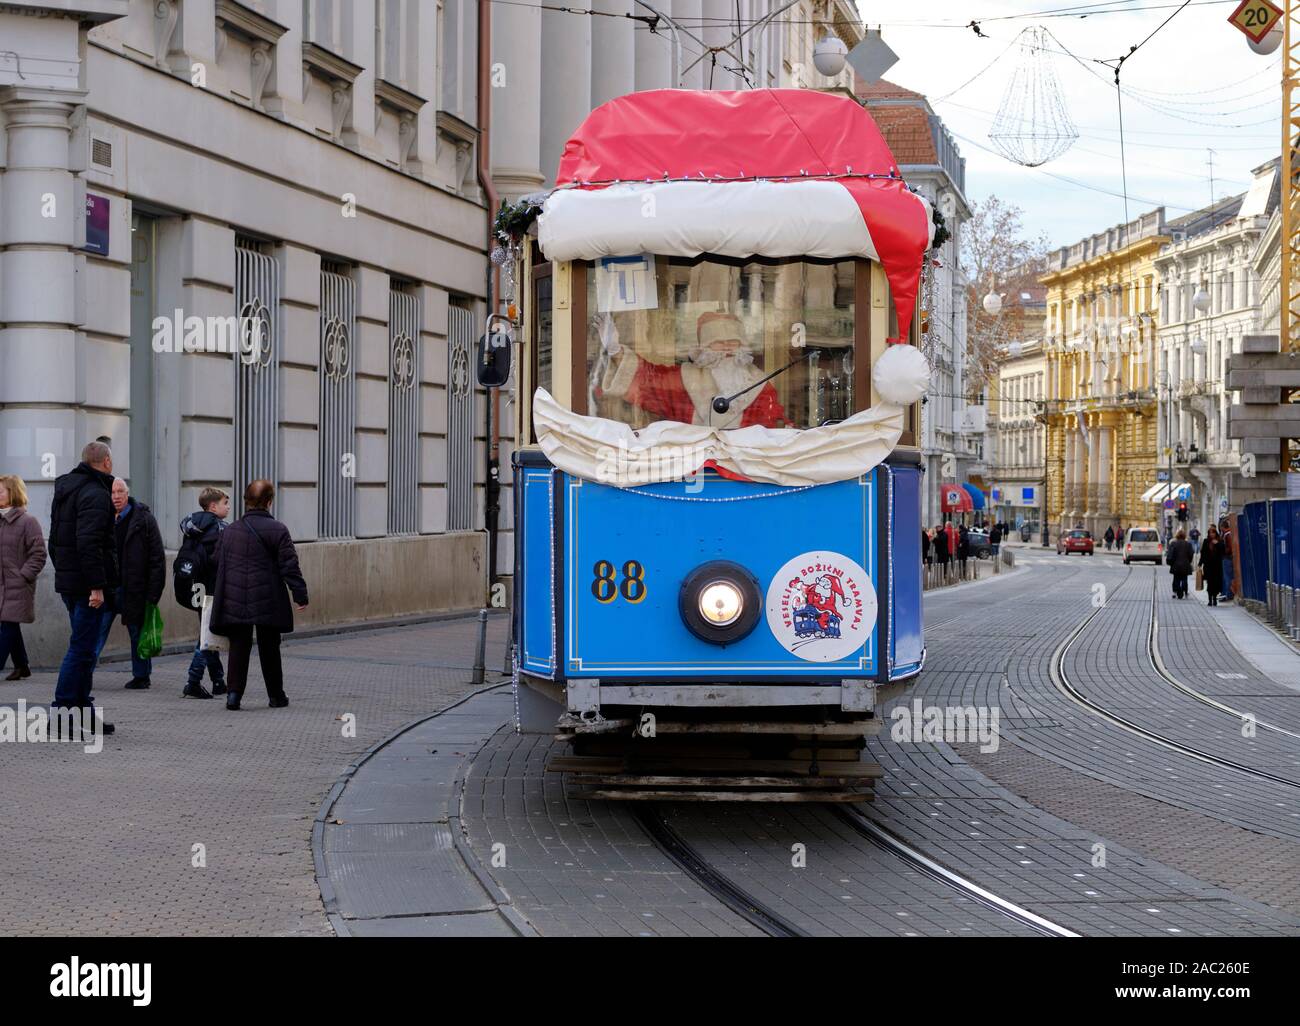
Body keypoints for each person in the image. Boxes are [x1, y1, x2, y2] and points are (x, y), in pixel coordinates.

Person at [210, 480, 308, 710]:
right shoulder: (279, 530)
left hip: (234, 596)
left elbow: (216, 561)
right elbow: (289, 565)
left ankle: (233, 695)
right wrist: (300, 594)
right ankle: (276, 696)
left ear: (246, 502)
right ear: (270, 502)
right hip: (268, 596)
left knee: (238, 646)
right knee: (270, 647)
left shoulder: (230, 531)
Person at [596, 310, 787, 429]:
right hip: (690, 466)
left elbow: (775, 423)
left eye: (733, 342)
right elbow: (646, 379)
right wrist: (615, 349)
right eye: (718, 343)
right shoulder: (683, 379)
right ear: (704, 348)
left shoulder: (761, 385)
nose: (728, 348)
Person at [48, 441, 117, 732]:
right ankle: (61, 713)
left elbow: (54, 540)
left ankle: (83, 712)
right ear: (106, 462)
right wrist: (96, 587)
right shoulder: (96, 493)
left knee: (86, 649)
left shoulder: (67, 490)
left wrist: (66, 574)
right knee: (80, 650)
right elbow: (89, 543)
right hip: (87, 586)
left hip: (70, 581)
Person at [95, 478, 165, 689]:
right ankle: (82, 673)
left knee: (137, 633)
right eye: (112, 492)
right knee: (96, 631)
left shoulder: (143, 519)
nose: (115, 496)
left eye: (119, 492)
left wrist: (153, 594)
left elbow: (157, 559)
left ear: (127, 494)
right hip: (107, 587)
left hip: (134, 587)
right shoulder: (101, 518)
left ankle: (142, 676)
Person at [178, 487, 230, 699]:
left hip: (196, 587)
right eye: (225, 503)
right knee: (206, 636)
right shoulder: (219, 529)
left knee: (208, 632)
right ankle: (193, 681)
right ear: (213, 506)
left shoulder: (193, 527)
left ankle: (218, 681)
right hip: (213, 588)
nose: (228, 507)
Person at [0, 475, 47, 681]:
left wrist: (23, 576)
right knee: (10, 625)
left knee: (7, 626)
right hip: (1, 586)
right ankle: (22, 666)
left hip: (18, 585)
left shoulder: (29, 522)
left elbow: (39, 554)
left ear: (13, 493)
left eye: (0, 490)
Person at [1199, 525, 1226, 607]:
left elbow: (1223, 552)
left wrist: (1217, 544)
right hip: (1208, 566)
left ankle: (1214, 598)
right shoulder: (1206, 541)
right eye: (1210, 533)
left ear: (1215, 533)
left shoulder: (1220, 541)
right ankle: (1210, 599)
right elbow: (1203, 553)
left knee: (1216, 583)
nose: (1211, 535)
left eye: (1213, 533)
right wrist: (1200, 563)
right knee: (1209, 583)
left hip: (1217, 566)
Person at [1167, 528, 1195, 600]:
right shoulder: (1188, 544)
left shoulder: (1173, 543)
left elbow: (1171, 554)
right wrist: (1189, 561)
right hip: (1185, 564)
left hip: (1176, 565)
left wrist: (1171, 562)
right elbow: (1191, 554)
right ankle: (1184, 590)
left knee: (1176, 578)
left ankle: (1175, 591)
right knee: (1184, 578)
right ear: (1184, 536)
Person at [1218, 519, 1235, 602]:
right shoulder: (1228, 533)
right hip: (1229, 558)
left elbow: (1229, 547)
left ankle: (1228, 594)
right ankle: (1228, 593)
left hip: (1227, 558)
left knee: (1227, 577)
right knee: (1229, 576)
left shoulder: (1227, 535)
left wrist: (1223, 551)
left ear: (1222, 527)